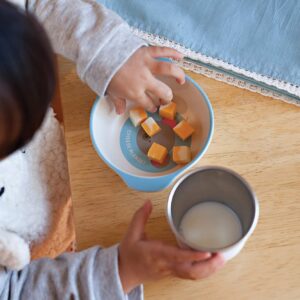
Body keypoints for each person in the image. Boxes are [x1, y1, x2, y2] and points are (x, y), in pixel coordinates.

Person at [0, 1, 225, 299]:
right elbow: (17, 291)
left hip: (58, 181)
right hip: (40, 257)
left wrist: (109, 52)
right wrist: (121, 272)